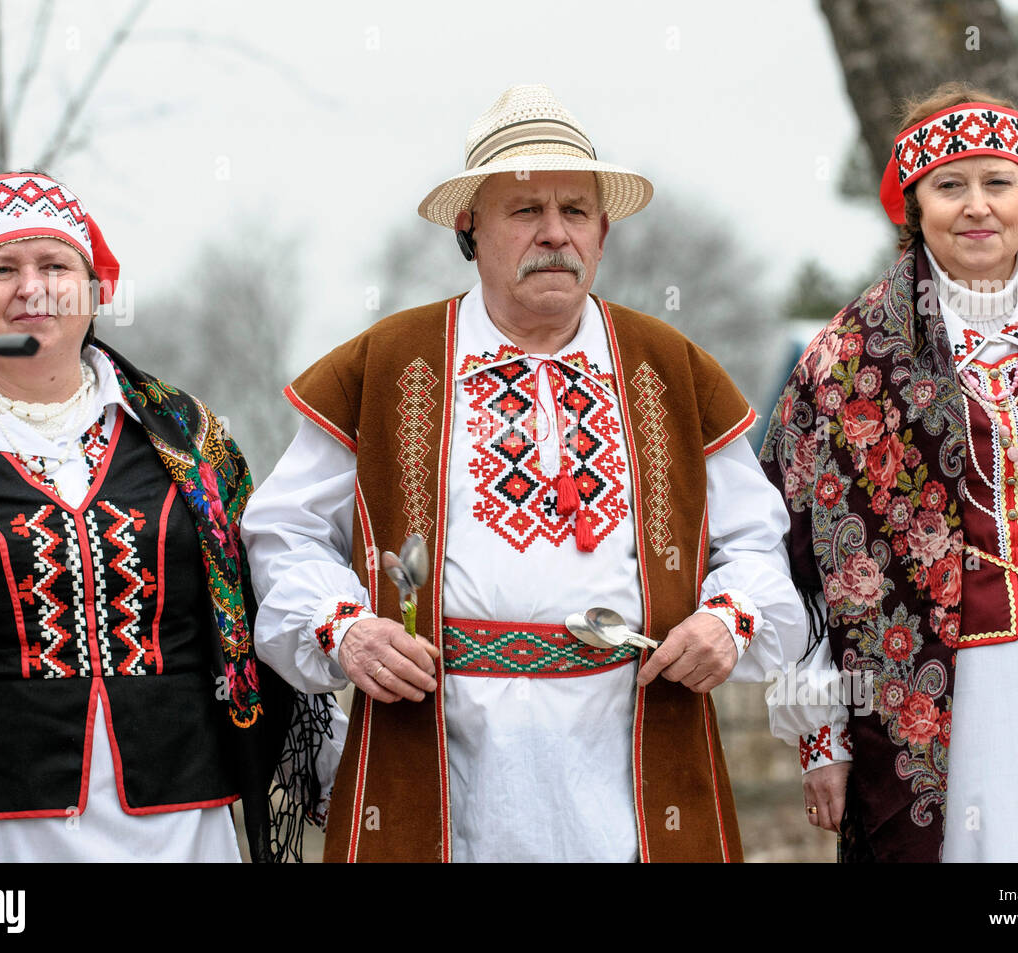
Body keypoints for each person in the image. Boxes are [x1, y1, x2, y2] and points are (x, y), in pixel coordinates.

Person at [242, 84, 814, 862]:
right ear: (469, 227)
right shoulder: (386, 363)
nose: (555, 234)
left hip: (637, 756)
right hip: (439, 755)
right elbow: (283, 534)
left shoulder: (673, 369)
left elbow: (758, 545)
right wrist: (347, 629)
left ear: (604, 232)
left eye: (575, 211)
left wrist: (728, 619)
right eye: (525, 212)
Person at [759, 83, 1018, 862]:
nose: (977, 206)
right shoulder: (846, 361)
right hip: (910, 709)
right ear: (915, 204)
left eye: (997, 182)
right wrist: (820, 732)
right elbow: (781, 555)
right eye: (950, 185)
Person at [0, 171, 336, 862]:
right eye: (2, 269)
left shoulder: (184, 436)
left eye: (56, 265)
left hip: (184, 814)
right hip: (1, 822)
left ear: (94, 291)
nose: (32, 287)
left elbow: (259, 595)